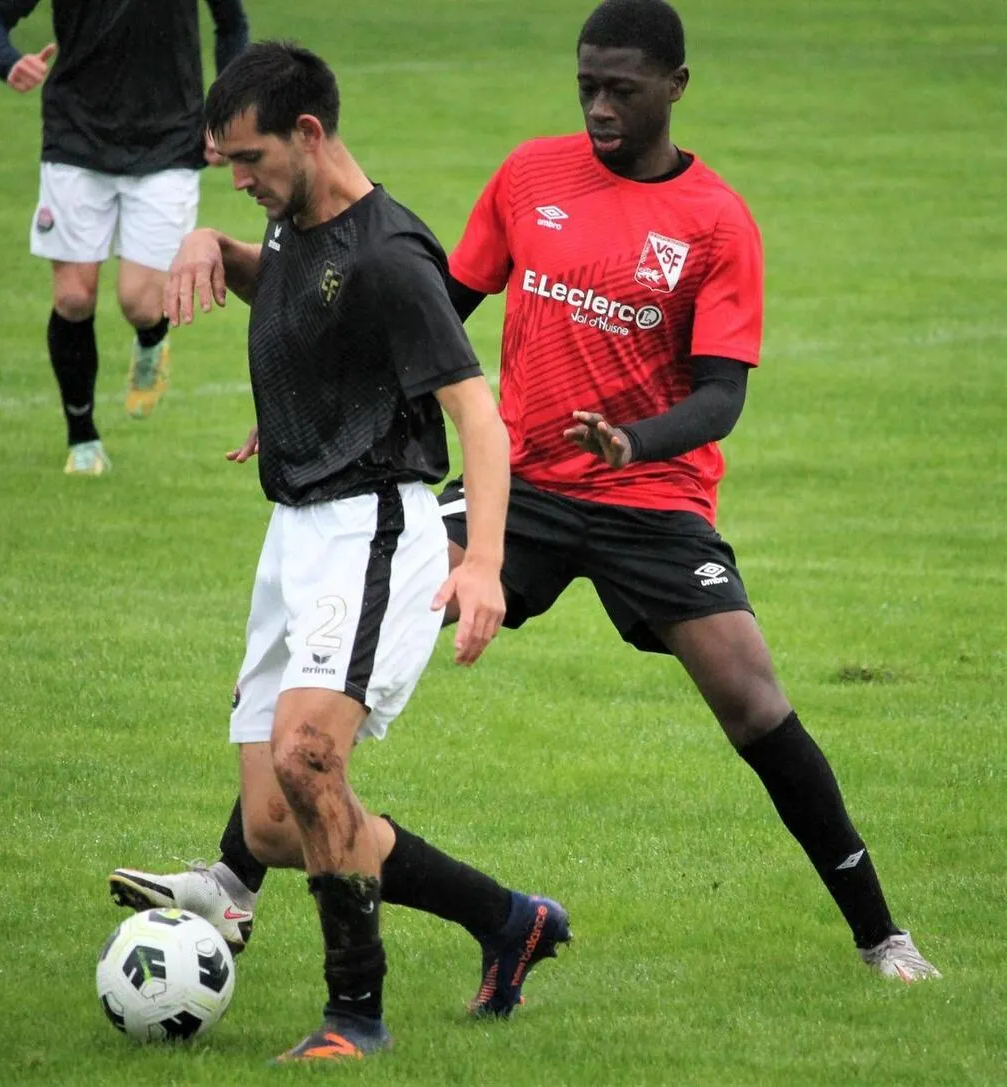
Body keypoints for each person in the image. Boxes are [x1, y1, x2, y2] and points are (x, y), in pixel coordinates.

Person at [113, 0, 939, 991]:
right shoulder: (531, 177)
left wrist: (631, 440)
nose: (599, 107)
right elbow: (431, 306)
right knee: (337, 638)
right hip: (526, 485)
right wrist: (327, 408)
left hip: (654, 500)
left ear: (675, 88)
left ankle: (881, 933)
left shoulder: (716, 221)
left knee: (752, 700)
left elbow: (722, 394)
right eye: (587, 86)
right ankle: (232, 877)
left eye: (621, 90)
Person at [132, 41, 570, 1064]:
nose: (240, 181)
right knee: (274, 823)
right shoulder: (293, 219)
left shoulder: (390, 257)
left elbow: (480, 418)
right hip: (294, 532)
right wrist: (212, 242)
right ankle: (510, 919)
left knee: (307, 759)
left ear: (309, 135)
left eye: (249, 161)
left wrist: (482, 563)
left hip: (371, 529)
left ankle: (354, 1014)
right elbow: (303, 298)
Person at [0, 0, 249, 475]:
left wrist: (224, 117)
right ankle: (82, 438)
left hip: (169, 142)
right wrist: (7, 61)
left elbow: (231, 24)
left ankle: (152, 338)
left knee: (141, 304)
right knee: (72, 297)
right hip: (75, 137)